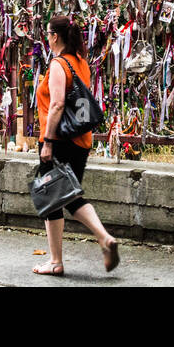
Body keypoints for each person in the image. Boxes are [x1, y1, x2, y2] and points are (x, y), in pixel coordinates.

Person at [31, 14, 120, 276]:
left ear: (54, 36)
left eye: (47, 34)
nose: (46, 38)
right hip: (81, 141)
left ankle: (57, 260)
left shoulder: (58, 64)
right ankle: (103, 239)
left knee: (52, 197)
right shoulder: (81, 63)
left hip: (59, 140)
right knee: (70, 197)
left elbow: (57, 103)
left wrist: (47, 142)